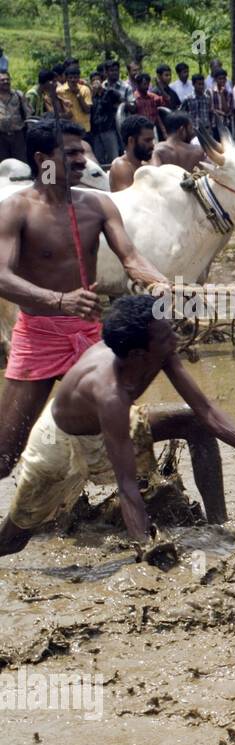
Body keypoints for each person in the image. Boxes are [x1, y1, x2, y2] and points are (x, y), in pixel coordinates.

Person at [0, 295, 235, 557]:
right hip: (59, 447)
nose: (175, 336)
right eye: (165, 335)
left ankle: (218, 527)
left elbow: (206, 411)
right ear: (138, 355)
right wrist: (147, 548)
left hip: (111, 427)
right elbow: (127, 485)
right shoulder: (109, 392)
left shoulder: (160, 351)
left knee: (193, 422)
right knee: (14, 540)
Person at [0, 119, 170, 482]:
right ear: (42, 159)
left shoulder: (98, 204)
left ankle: (128, 506)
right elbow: (1, 276)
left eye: (84, 151)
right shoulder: (17, 209)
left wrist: (161, 283)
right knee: (3, 454)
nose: (83, 160)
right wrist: (59, 301)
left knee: (126, 435)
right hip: (38, 337)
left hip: (90, 337)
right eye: (72, 152)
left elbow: (131, 259)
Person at [110, 115, 156, 191]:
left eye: (152, 140)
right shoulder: (121, 166)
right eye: (147, 140)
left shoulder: (144, 164)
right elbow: (129, 200)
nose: (152, 145)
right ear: (131, 141)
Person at [0, 71, 29, 164]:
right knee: (3, 165)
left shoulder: (18, 95)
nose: (5, 82)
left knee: (21, 164)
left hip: (18, 136)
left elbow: (28, 113)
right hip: (1, 137)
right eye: (2, 80)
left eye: (7, 79)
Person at [56, 62, 93, 129]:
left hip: (83, 128)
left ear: (79, 77)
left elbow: (87, 110)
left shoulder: (85, 89)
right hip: (67, 128)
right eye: (70, 78)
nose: (73, 80)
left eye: (75, 77)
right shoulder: (59, 91)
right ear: (66, 78)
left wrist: (78, 95)